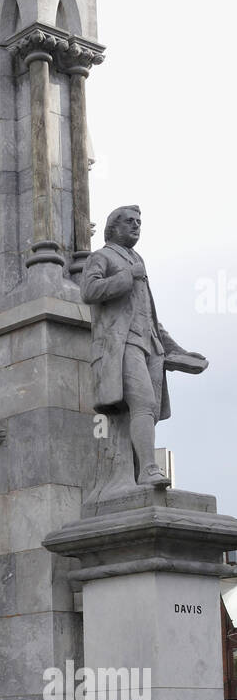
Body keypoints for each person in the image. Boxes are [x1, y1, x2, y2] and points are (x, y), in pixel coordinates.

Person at [80, 205, 207, 488]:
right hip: (122, 344)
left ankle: (138, 472)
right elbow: (89, 291)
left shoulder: (137, 258)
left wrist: (179, 351)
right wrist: (128, 277)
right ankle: (148, 470)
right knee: (143, 403)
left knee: (147, 411)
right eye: (130, 221)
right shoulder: (102, 256)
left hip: (148, 345)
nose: (137, 226)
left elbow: (149, 316)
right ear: (113, 227)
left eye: (139, 222)